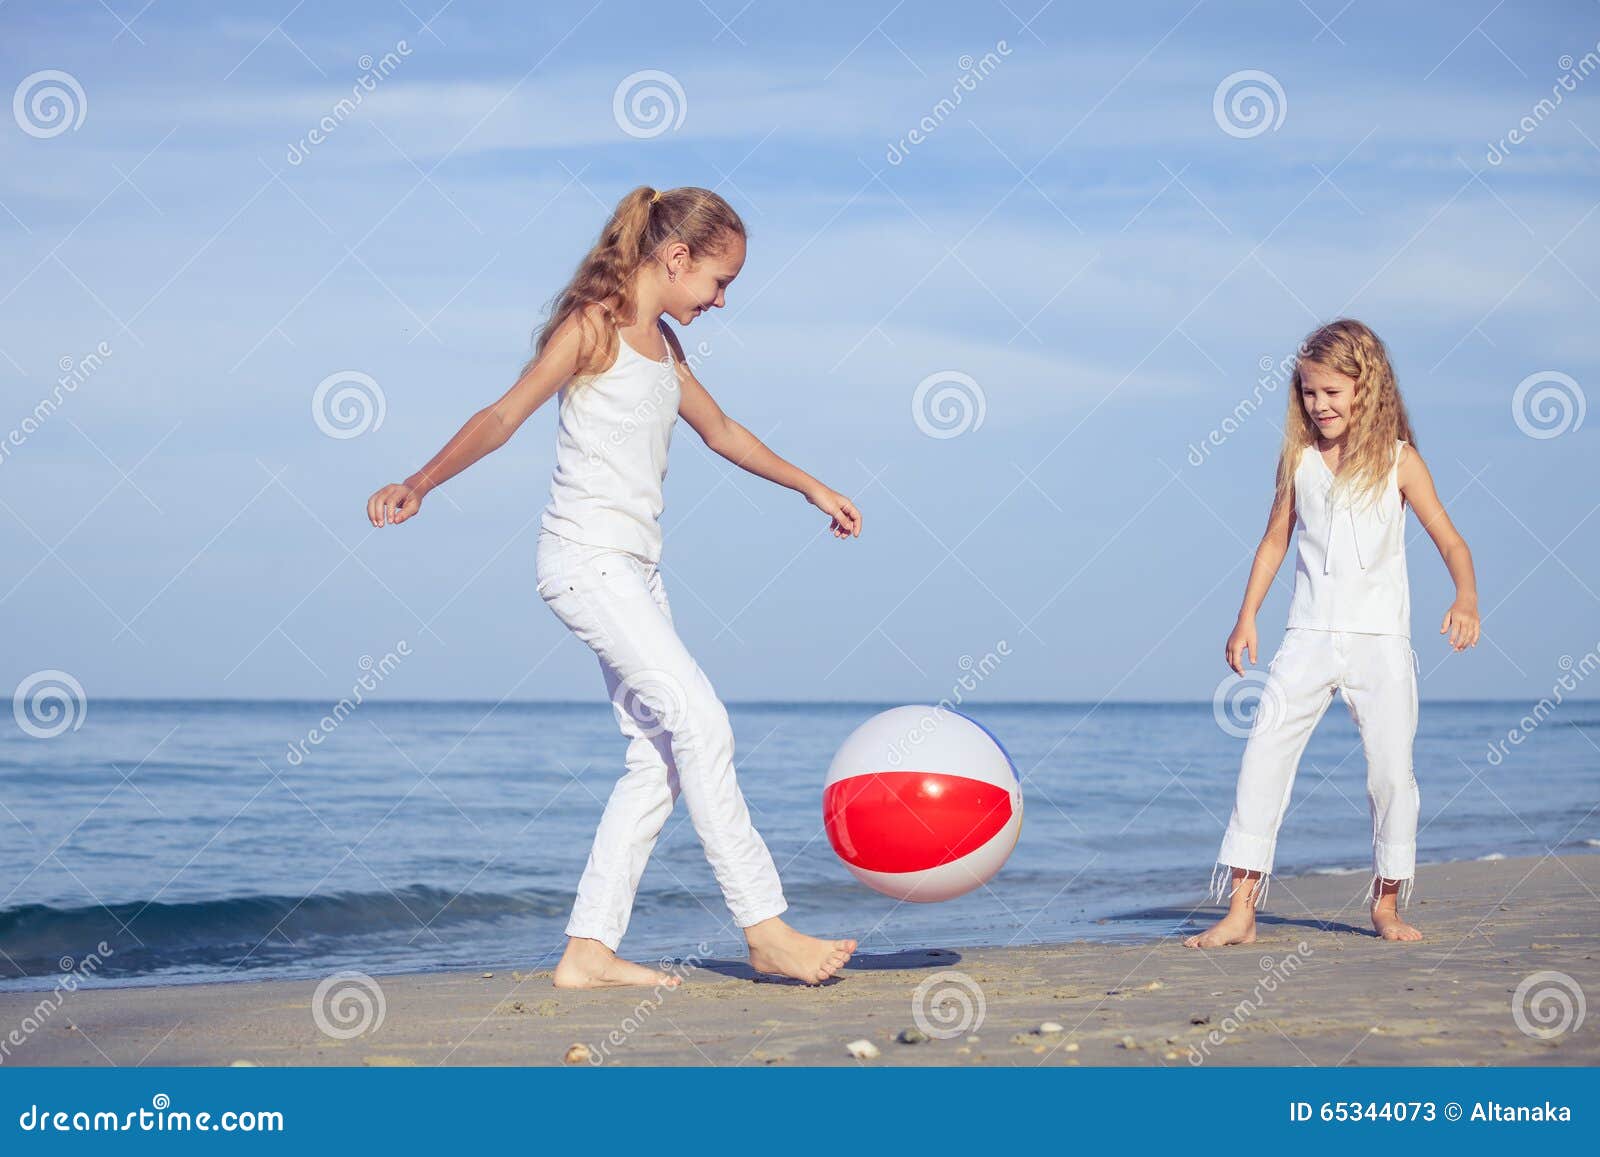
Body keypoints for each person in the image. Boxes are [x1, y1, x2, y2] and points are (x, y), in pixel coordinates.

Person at [366, 186, 860, 987]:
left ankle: (586, 950)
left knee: (659, 760)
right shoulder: (592, 326)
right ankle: (765, 928)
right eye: (719, 280)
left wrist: (811, 486)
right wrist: (421, 481)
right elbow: (502, 415)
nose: (723, 299)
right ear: (675, 259)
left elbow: (724, 432)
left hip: (633, 570)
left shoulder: (665, 345)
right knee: (703, 721)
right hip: (584, 561)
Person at [1186, 319, 1480, 948]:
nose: (1319, 406)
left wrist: (1467, 597)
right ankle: (1241, 909)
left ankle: (1386, 903)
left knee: (1392, 774)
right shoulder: (1301, 462)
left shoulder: (1401, 461)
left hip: (1381, 642)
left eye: (1331, 392)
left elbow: (1451, 540)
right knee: (1262, 757)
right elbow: (1273, 543)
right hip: (1307, 636)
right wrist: (1246, 617)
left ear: (1365, 387)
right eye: (1308, 393)